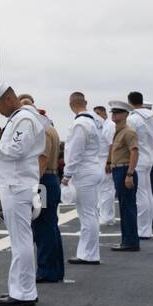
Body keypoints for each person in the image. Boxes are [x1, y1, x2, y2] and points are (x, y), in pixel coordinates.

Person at [0, 82, 45, 306]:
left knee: (21, 242)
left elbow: (16, 149)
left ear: (10, 99)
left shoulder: (24, 120)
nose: (0, 111)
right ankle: (20, 289)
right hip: (16, 185)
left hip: (17, 186)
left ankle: (24, 292)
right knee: (20, 241)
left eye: (0, 105)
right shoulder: (21, 118)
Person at [63, 92, 104, 265]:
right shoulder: (96, 122)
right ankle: (90, 252)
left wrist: (66, 174)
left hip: (84, 172)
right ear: (85, 102)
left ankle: (88, 254)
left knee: (87, 214)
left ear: (71, 104)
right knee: (91, 213)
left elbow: (75, 152)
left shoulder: (80, 124)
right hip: (93, 168)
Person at [33, 106, 65, 282]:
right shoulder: (51, 129)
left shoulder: (43, 131)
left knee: (44, 228)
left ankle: (46, 270)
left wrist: (33, 185)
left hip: (43, 181)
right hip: (49, 179)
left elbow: (42, 160)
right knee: (50, 226)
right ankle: (55, 269)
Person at [106, 101, 140, 251]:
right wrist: (108, 162)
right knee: (124, 207)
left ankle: (131, 242)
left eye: (118, 113)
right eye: (113, 113)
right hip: (118, 170)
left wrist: (130, 174)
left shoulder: (128, 131)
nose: (114, 115)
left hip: (125, 170)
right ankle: (127, 240)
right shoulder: (118, 130)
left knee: (128, 208)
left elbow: (134, 152)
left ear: (126, 114)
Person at [126, 92, 153, 239]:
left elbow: (129, 139)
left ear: (130, 102)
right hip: (149, 157)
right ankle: (147, 228)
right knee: (148, 194)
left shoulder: (133, 119)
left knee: (141, 195)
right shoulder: (151, 117)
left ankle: (143, 230)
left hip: (138, 159)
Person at [93, 105, 117, 225]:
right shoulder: (101, 126)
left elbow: (111, 145)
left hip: (106, 160)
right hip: (99, 160)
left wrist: (109, 162)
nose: (96, 116)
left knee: (106, 189)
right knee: (102, 189)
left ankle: (107, 217)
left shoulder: (110, 126)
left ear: (104, 113)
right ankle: (107, 216)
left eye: (98, 113)